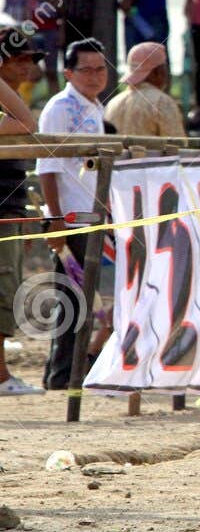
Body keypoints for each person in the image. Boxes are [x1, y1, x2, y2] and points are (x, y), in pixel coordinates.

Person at [36, 38, 109, 391]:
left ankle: (75, 369)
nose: (94, 76)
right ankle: (61, 374)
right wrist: (55, 218)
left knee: (88, 297)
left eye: (100, 68)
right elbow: (47, 166)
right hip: (70, 216)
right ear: (69, 72)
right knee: (71, 299)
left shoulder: (94, 106)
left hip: (93, 215)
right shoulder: (62, 107)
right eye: (86, 69)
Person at [0, 28, 42, 396]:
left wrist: (25, 207)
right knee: (2, 292)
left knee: (6, 290)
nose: (28, 66)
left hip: (8, 208)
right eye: (20, 59)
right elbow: (28, 123)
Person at [105, 41, 186, 137]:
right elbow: (178, 145)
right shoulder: (162, 102)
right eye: (164, 67)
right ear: (157, 72)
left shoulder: (113, 103)